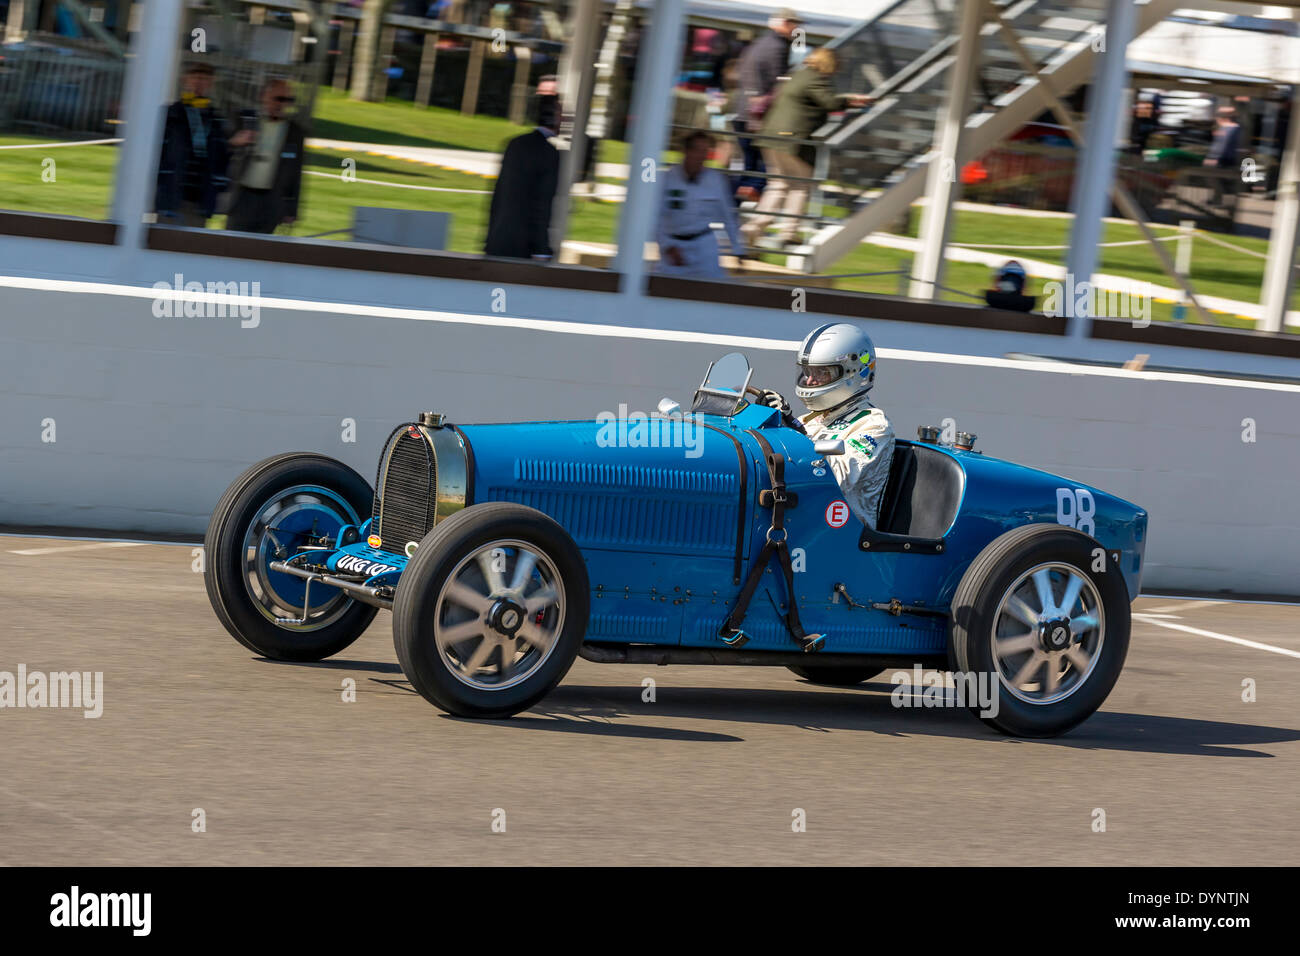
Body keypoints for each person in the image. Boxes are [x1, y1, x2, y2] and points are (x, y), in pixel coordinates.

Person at [760, 323, 895, 531]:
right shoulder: (808, 420)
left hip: (840, 534)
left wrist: (795, 433)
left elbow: (836, 479)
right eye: (808, 372)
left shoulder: (873, 425)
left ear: (853, 372)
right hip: (799, 518)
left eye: (822, 373)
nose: (811, 380)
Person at [743, 48, 867, 248]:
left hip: (771, 135)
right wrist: (852, 100)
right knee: (800, 186)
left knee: (778, 184)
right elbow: (829, 102)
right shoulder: (816, 78)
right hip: (792, 139)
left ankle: (754, 228)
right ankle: (789, 232)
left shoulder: (797, 75)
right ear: (829, 64)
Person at [484, 77, 560, 260]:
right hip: (523, 246)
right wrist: (541, 249)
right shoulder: (549, 153)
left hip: (498, 240)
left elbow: (498, 196)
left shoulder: (514, 144)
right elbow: (542, 204)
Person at [732, 8, 800, 201]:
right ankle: (743, 197)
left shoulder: (760, 43)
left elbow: (742, 73)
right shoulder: (777, 47)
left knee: (751, 164)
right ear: (786, 23)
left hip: (744, 112)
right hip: (759, 117)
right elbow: (778, 83)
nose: (796, 30)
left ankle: (736, 203)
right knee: (764, 163)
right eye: (795, 25)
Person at [655, 131, 744, 279]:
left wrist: (738, 250)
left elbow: (728, 216)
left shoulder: (716, 180)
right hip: (674, 246)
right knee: (665, 290)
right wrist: (666, 246)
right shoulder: (666, 179)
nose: (702, 156)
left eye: (706, 152)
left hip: (705, 246)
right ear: (686, 151)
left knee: (715, 290)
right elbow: (655, 216)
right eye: (697, 150)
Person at [155, 62, 234, 228]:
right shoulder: (171, 114)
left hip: (199, 201)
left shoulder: (216, 120)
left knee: (190, 245)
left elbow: (221, 158)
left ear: (211, 84)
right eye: (195, 78)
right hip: (171, 195)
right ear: (185, 80)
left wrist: (217, 190)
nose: (199, 83)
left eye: (204, 79)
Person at [225, 77, 307, 234]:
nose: (282, 104)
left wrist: (292, 210)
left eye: (288, 100)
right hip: (243, 198)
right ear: (264, 97)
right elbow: (222, 150)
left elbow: (296, 172)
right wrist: (234, 142)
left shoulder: (295, 131)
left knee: (261, 251)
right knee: (233, 247)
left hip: (271, 202)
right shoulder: (245, 120)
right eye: (278, 98)